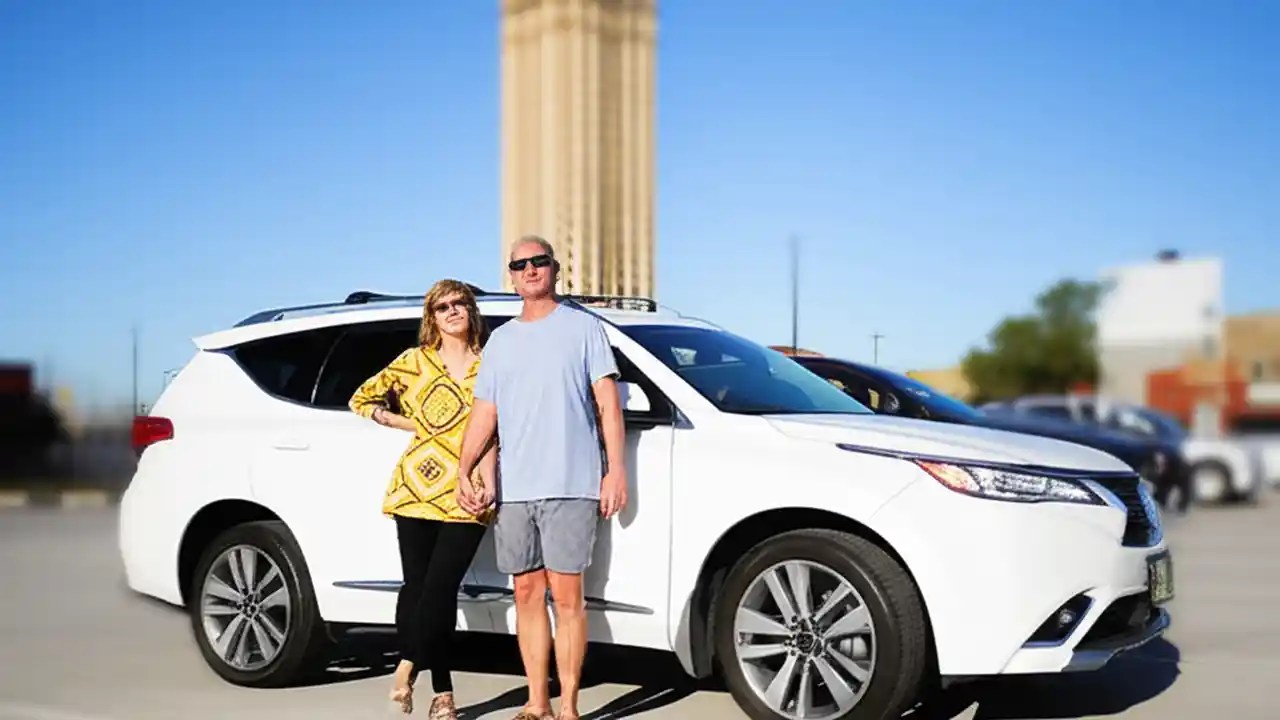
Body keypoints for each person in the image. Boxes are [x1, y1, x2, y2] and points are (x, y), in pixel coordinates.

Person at [456, 235, 628, 720]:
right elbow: (484, 412)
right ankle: (537, 701)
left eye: (539, 261)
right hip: (514, 490)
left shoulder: (584, 328)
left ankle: (569, 706)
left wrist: (616, 472)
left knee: (568, 596)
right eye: (520, 264)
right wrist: (463, 469)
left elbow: (608, 406)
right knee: (526, 593)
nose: (530, 269)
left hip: (572, 484)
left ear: (554, 267)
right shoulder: (502, 341)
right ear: (510, 276)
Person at [349, 279, 497, 719]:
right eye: (441, 307)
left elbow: (499, 428)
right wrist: (406, 425)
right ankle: (444, 693)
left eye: (459, 303)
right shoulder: (415, 361)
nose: (452, 311)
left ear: (471, 310)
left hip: (467, 489)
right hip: (415, 487)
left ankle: (408, 662)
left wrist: (487, 477)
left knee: (440, 586)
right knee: (417, 586)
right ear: (430, 318)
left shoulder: (492, 363)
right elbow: (361, 399)